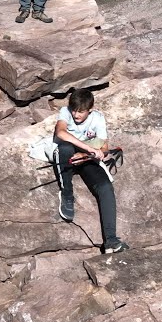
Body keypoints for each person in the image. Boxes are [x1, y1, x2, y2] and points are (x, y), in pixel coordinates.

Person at [54, 87, 128, 254]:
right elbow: (61, 133)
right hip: (67, 153)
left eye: (81, 111)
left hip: (85, 157)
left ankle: (111, 240)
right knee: (64, 148)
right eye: (74, 110)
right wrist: (87, 148)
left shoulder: (98, 118)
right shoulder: (65, 112)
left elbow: (104, 147)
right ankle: (66, 193)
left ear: (90, 110)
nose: (76, 115)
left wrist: (88, 154)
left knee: (105, 187)